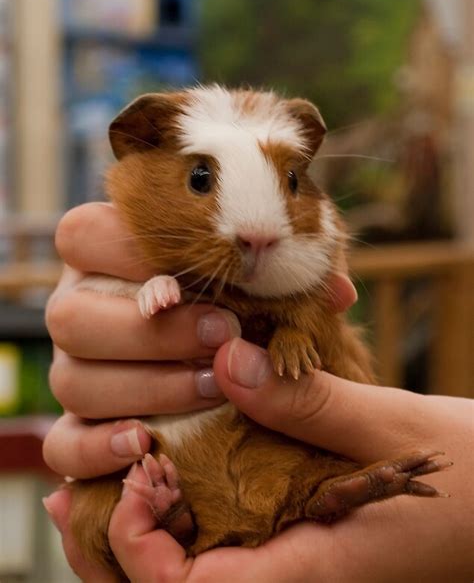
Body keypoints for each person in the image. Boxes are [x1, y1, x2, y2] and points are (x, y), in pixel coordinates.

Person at [43, 203, 474, 582]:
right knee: (104, 505)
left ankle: (304, 495)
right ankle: (185, 517)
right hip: (180, 486)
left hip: (278, 478)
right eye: (200, 181)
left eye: (288, 182)